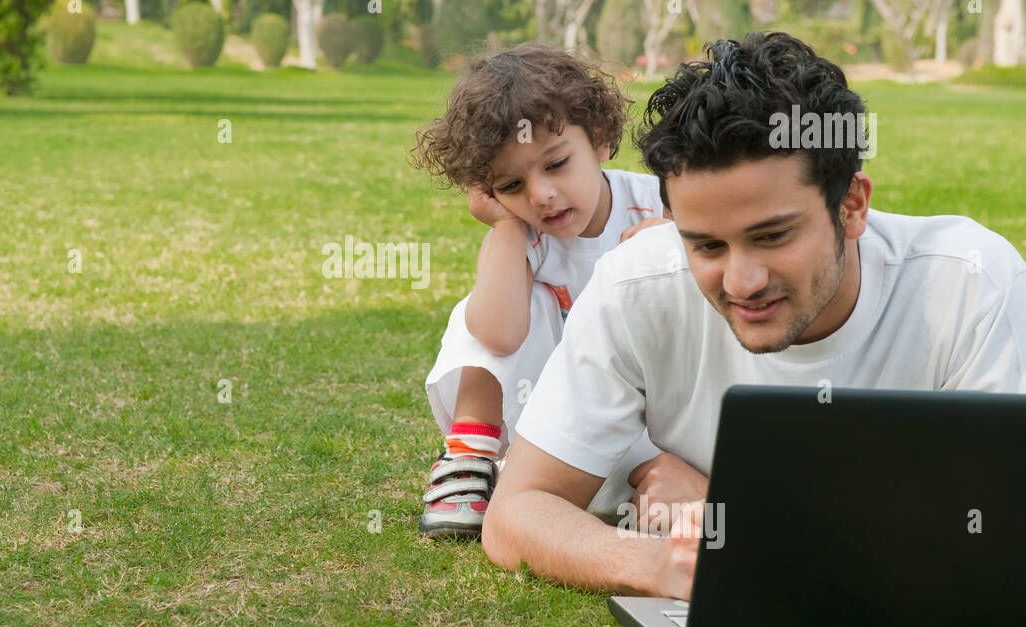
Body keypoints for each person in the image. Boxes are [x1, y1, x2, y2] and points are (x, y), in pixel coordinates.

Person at [482, 31, 1026, 597]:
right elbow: (516, 512)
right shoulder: (636, 285)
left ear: (852, 205)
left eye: (772, 236)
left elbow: (996, 527)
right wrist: (658, 564)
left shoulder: (968, 283)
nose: (742, 282)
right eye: (707, 246)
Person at [408, 42, 668, 538]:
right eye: (510, 186)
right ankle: (469, 457)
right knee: (489, 303)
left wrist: (668, 247)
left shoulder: (655, 206)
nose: (540, 196)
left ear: (600, 139)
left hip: (643, 406)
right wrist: (505, 229)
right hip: (556, 406)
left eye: (555, 165)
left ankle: (651, 482)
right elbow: (498, 334)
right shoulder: (525, 236)